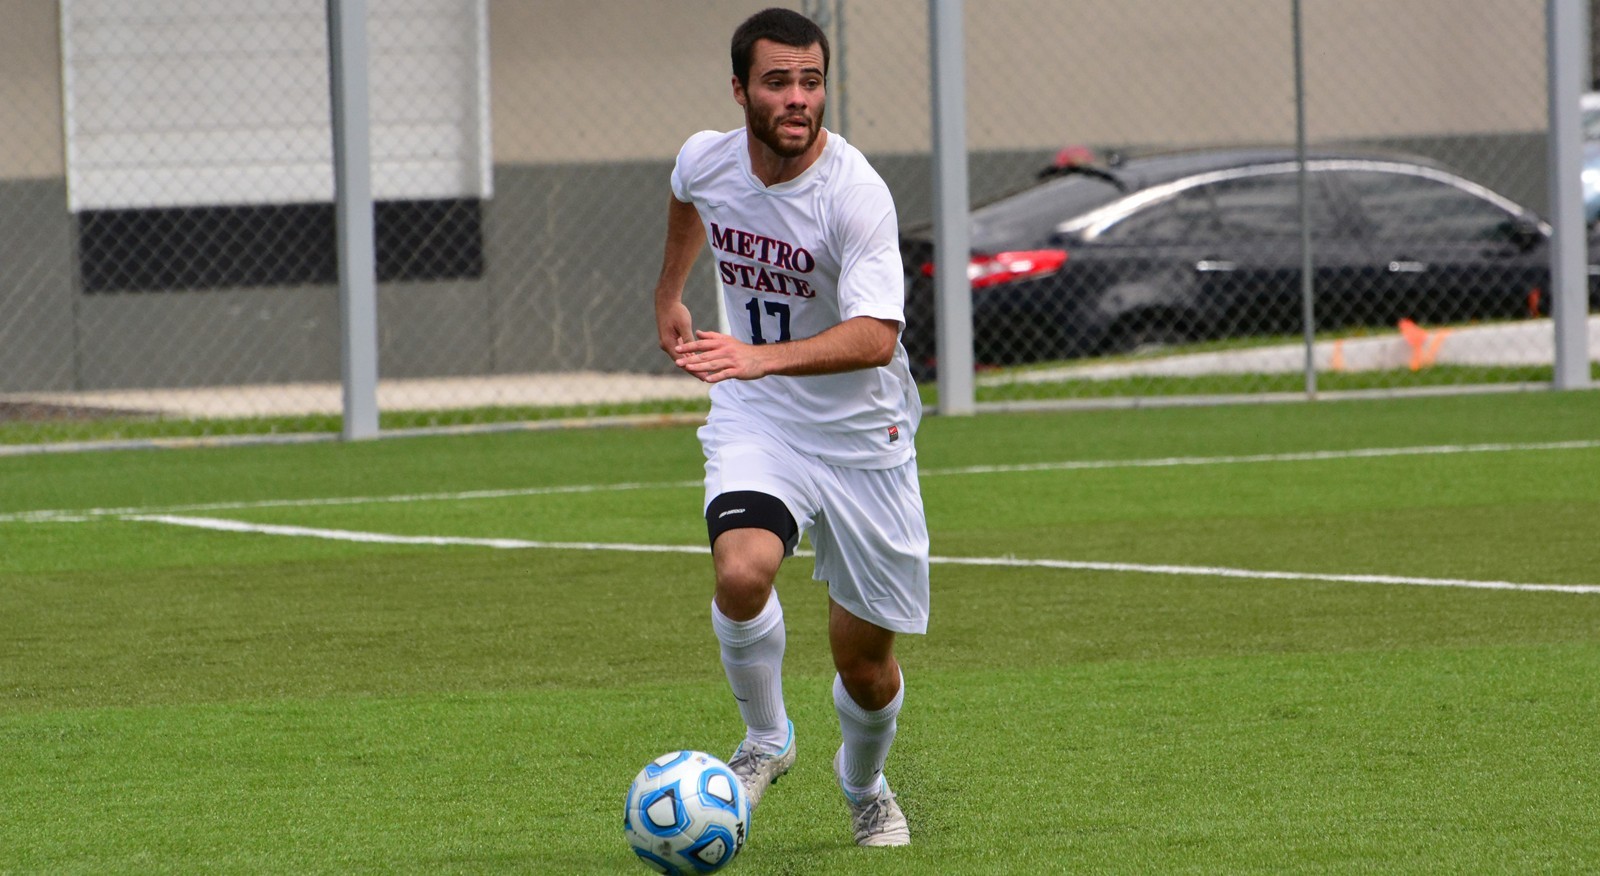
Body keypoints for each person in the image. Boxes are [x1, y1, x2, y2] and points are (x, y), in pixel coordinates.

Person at [651, 6, 929, 849]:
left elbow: (878, 336)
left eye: (811, 81)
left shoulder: (854, 194)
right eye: (778, 81)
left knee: (865, 666)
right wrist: (669, 292)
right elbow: (684, 197)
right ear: (741, 90)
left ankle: (865, 785)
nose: (798, 98)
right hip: (758, 418)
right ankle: (766, 742)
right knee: (741, 573)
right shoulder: (708, 156)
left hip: (861, 442)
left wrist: (758, 357)